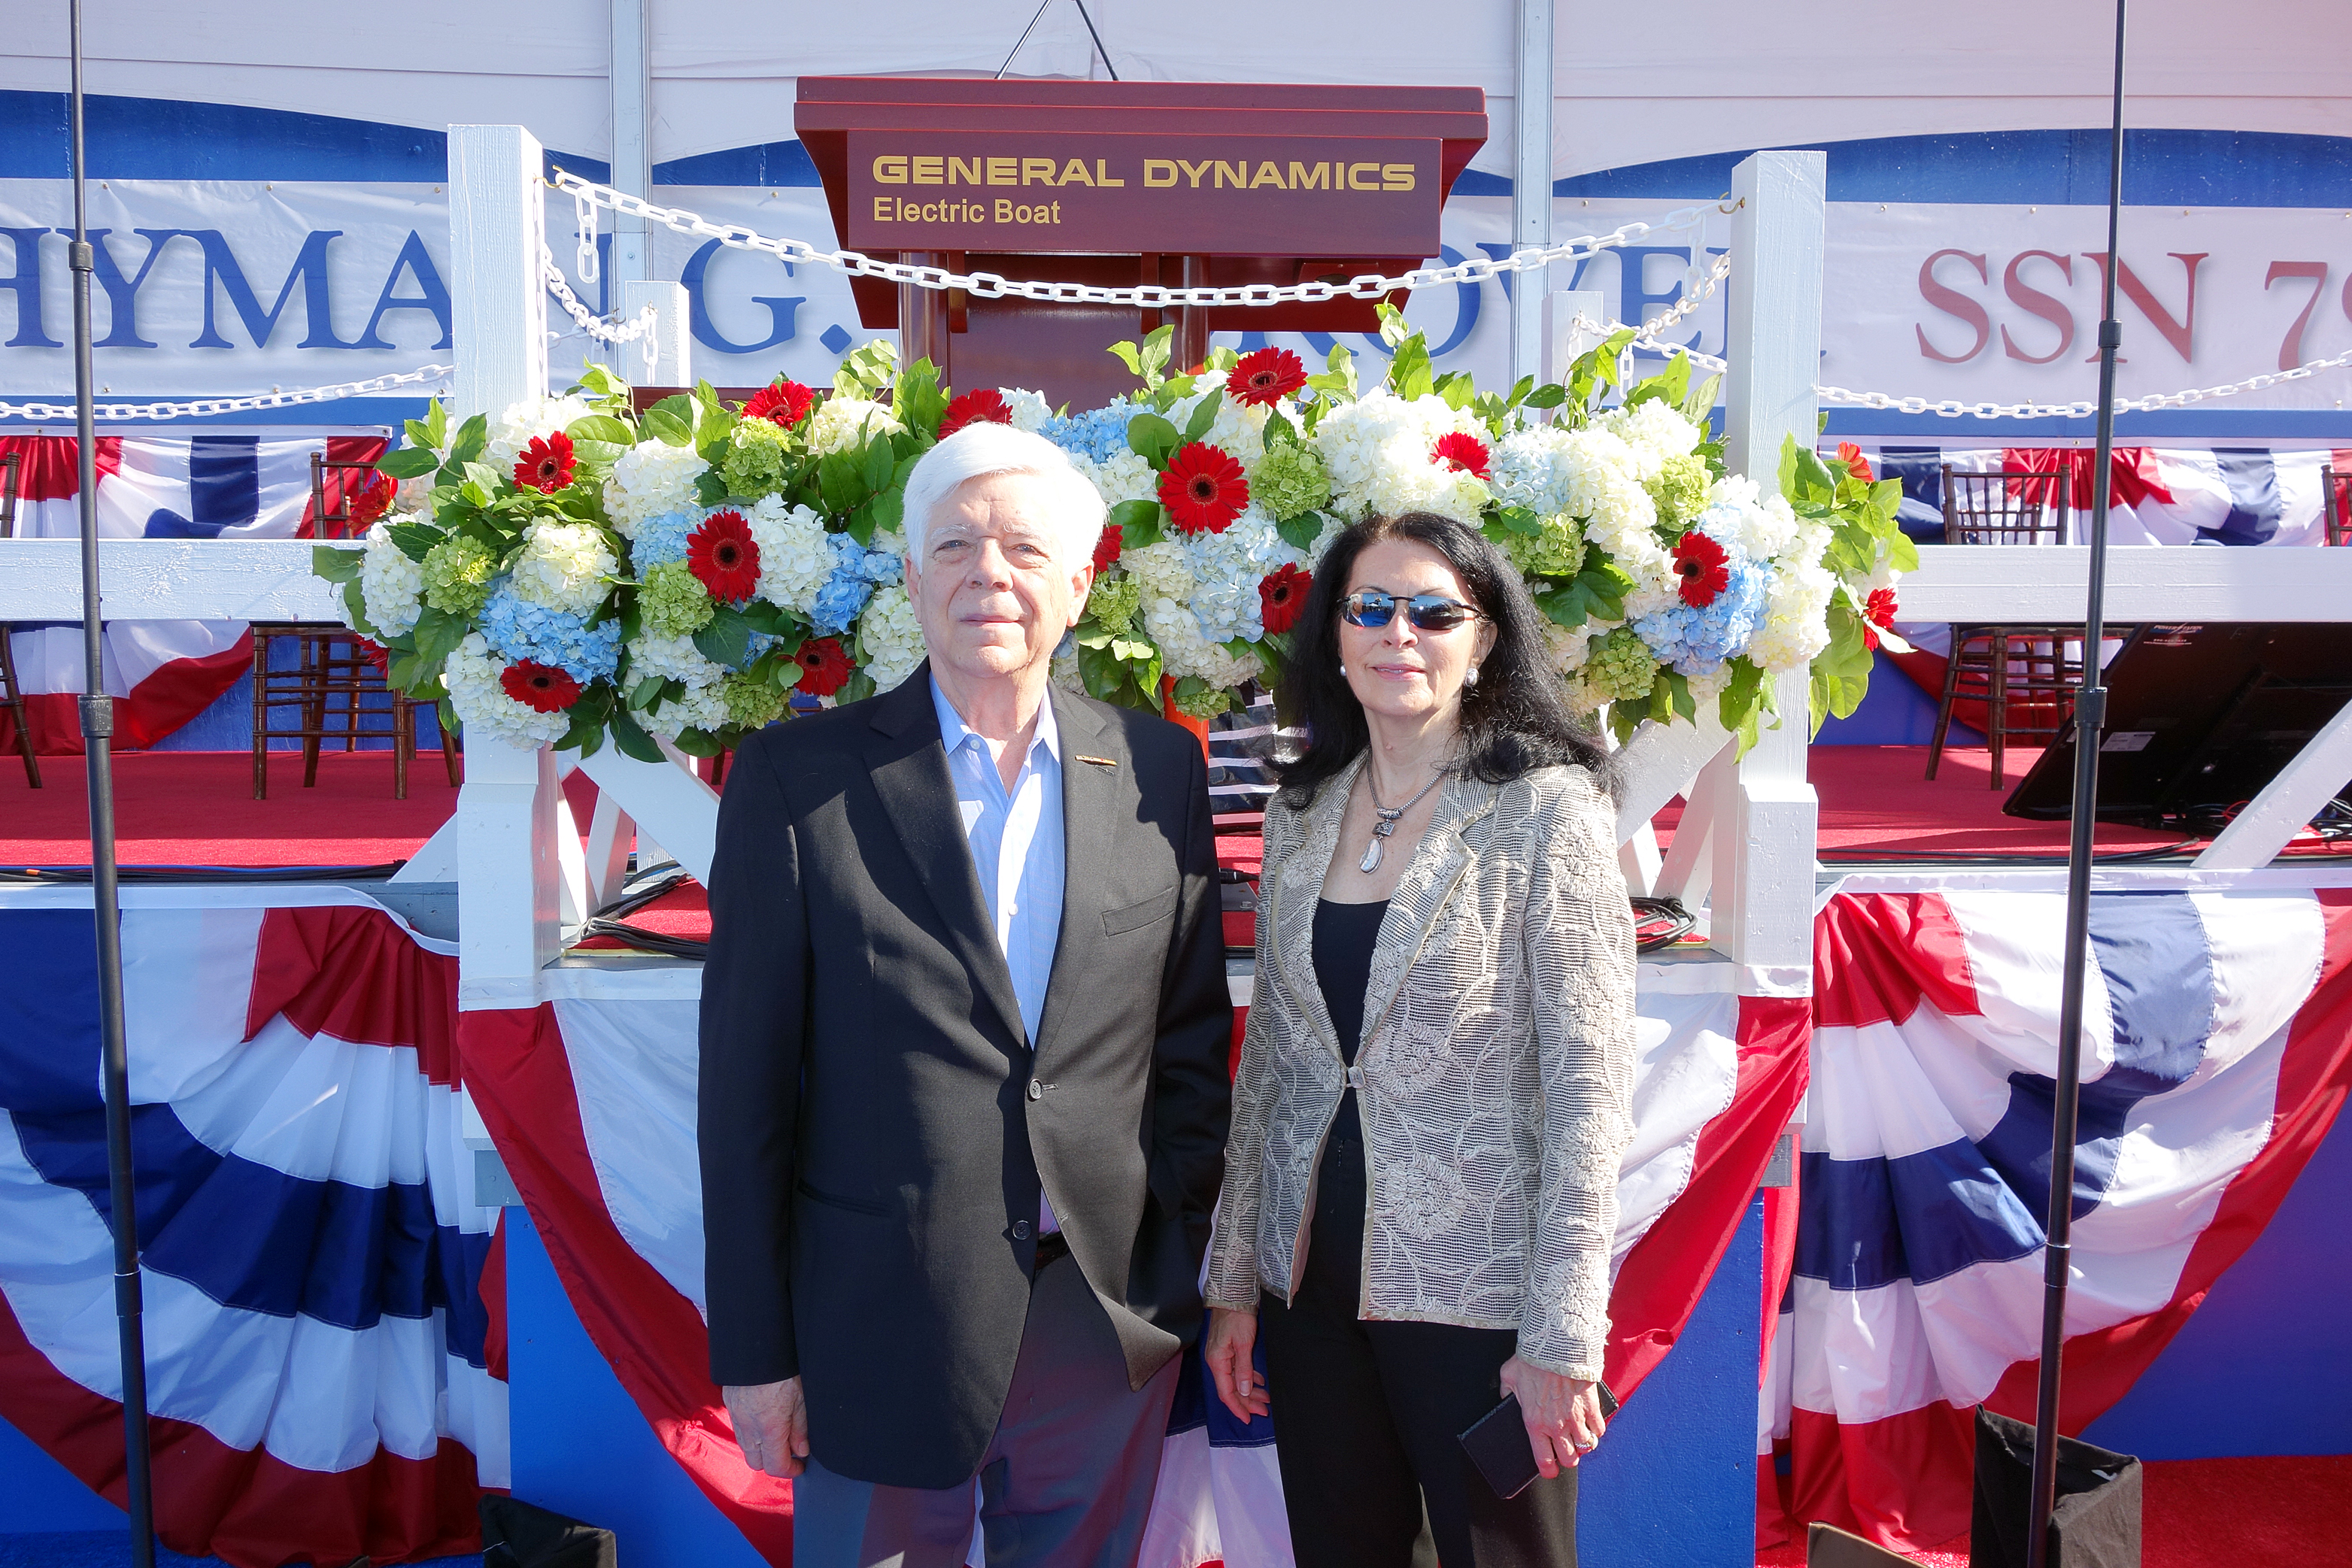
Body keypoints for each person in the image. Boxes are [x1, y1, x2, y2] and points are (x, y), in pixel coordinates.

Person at [698, 423, 1233, 1568]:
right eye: (956, 546)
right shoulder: (799, 783)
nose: (990, 573)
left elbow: (1188, 1054)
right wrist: (755, 1351)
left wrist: (1174, 1274)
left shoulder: (1157, 770)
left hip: (1098, 1324)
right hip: (877, 1329)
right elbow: (744, 1097)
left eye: (1026, 550)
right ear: (909, 578)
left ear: (1081, 584)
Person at [1200, 511, 1638, 1568]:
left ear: (1483, 641)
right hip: (1312, 1289)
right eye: (1373, 608)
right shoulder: (1302, 811)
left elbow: (1592, 1084)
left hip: (1481, 1290)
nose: (1403, 632)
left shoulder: (1548, 809)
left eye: (1436, 611)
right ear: (1337, 639)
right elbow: (1271, 1069)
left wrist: (1564, 1335)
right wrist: (1233, 1283)